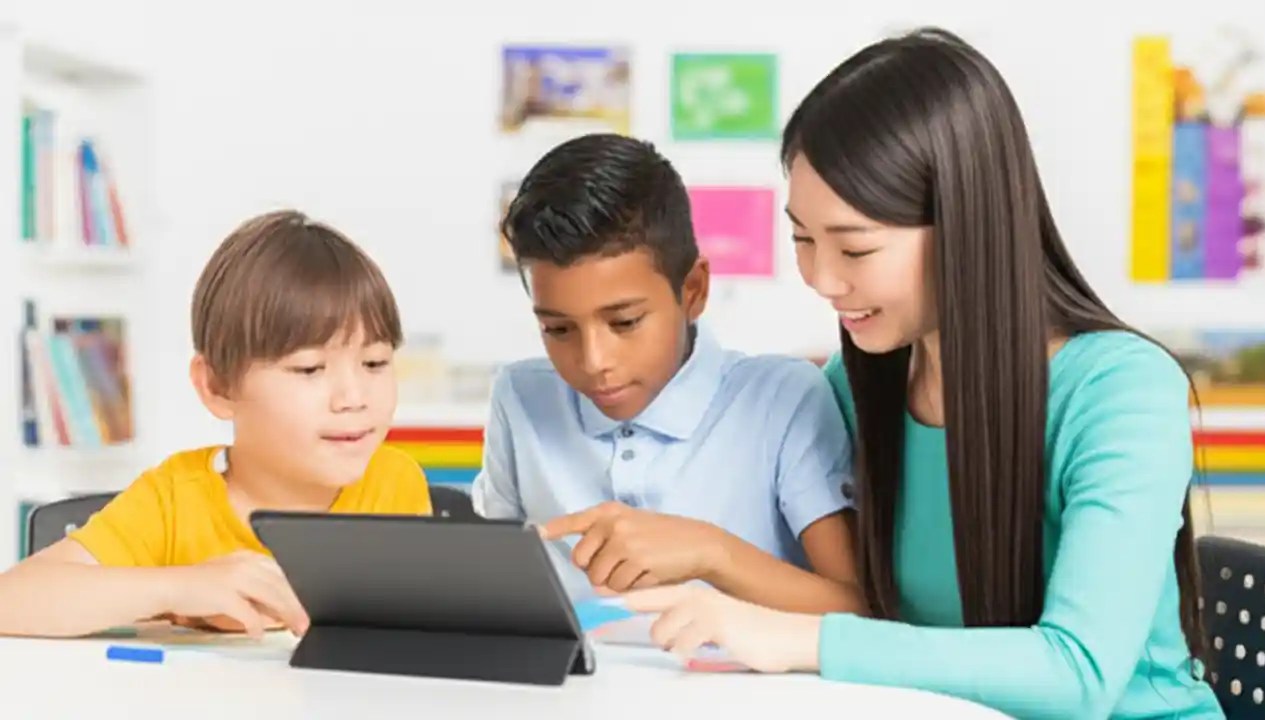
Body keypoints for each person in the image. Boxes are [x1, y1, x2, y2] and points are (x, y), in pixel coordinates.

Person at [619, 28, 1225, 720]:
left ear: (964, 226)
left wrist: (805, 639)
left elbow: (1079, 674)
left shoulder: (1123, 392)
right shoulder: (859, 385)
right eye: (803, 239)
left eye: (855, 246)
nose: (821, 278)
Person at [471, 133, 861, 612]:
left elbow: (856, 607)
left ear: (693, 290)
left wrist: (711, 553)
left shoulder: (783, 399)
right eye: (557, 328)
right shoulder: (520, 397)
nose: (594, 361)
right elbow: (489, 586)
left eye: (625, 322)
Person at [0, 210, 432, 638]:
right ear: (217, 387)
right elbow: (10, 602)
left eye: (375, 363)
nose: (353, 398)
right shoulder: (172, 502)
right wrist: (180, 587)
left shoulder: (394, 484)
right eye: (309, 369)